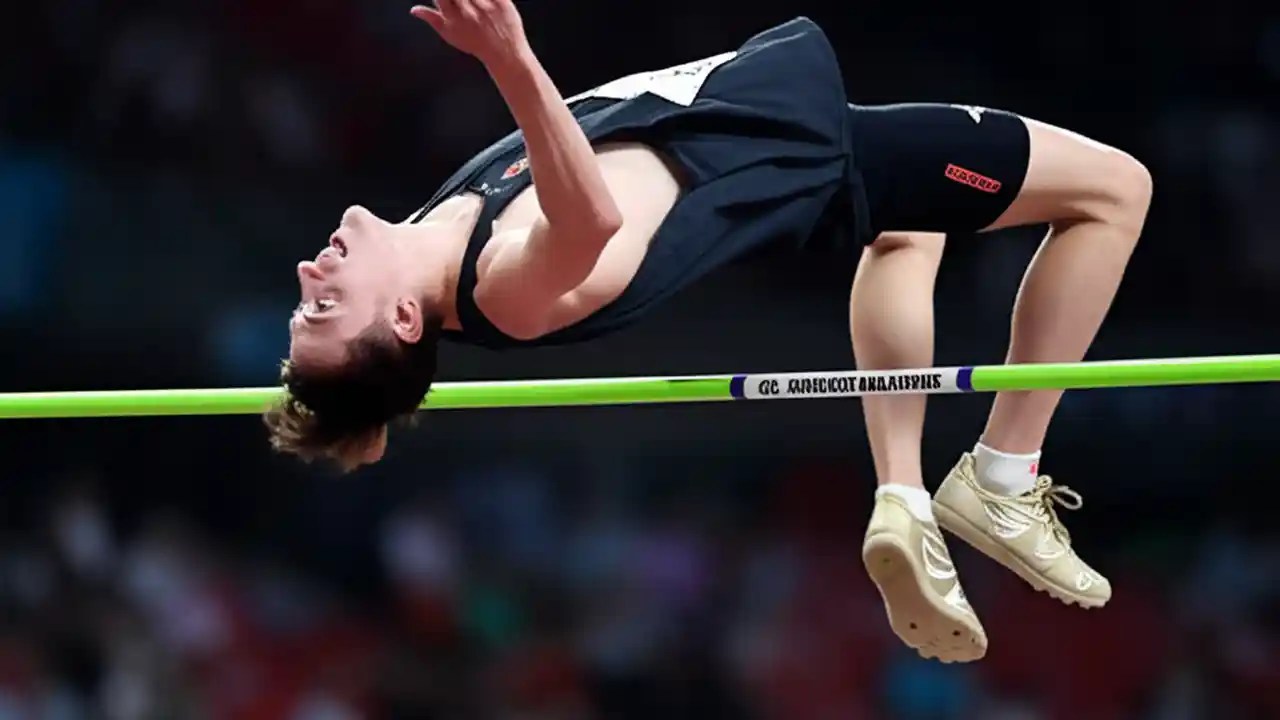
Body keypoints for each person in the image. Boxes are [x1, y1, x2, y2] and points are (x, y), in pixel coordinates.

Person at [266, 1, 1151, 663]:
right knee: (1114, 192)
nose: (309, 276)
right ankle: (1002, 472)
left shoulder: (429, 235)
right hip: (767, 148)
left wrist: (350, 415)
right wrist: (510, 58)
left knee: (906, 229)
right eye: (324, 309)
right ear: (404, 318)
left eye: (304, 306)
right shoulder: (502, 288)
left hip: (752, 136)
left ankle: (905, 496)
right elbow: (589, 221)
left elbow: (367, 399)